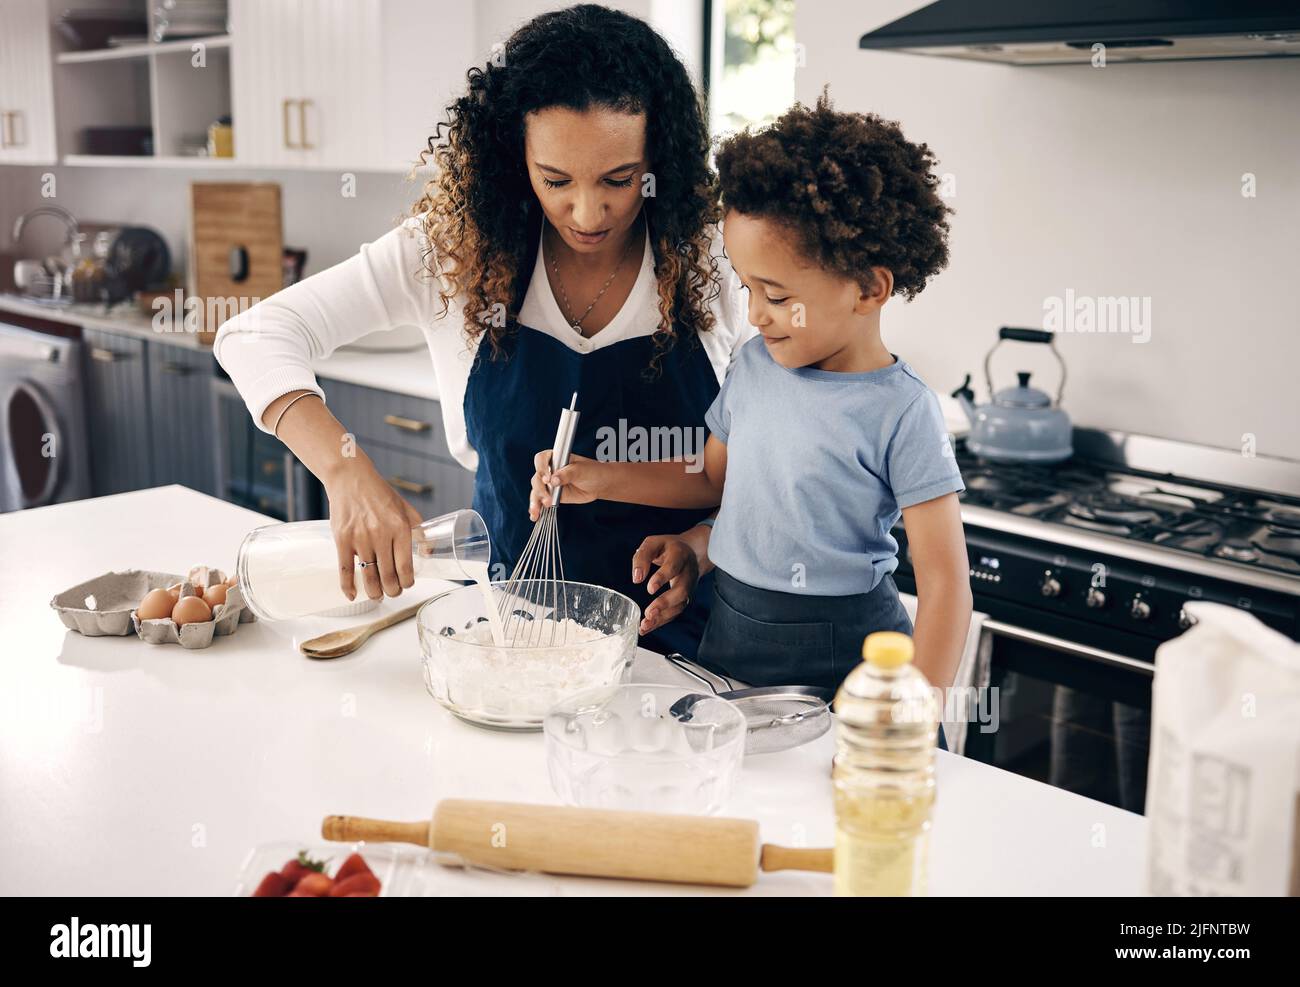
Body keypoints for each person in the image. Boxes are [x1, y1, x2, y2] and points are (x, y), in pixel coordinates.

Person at [214, 5, 755, 656]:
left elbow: (769, 471)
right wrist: (345, 470)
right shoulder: (453, 254)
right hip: (510, 642)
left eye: (619, 180)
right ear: (512, 157)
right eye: (555, 180)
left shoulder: (718, 263)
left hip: (688, 654)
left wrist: (703, 544)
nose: (588, 212)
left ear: (658, 157)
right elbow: (255, 333)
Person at [531, 94, 974, 718]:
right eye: (746, 287)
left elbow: (947, 581)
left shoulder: (903, 411)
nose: (756, 313)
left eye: (776, 294)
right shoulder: (755, 365)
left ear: (870, 288)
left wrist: (917, 711)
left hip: (848, 649)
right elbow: (711, 476)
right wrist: (600, 478)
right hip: (732, 632)